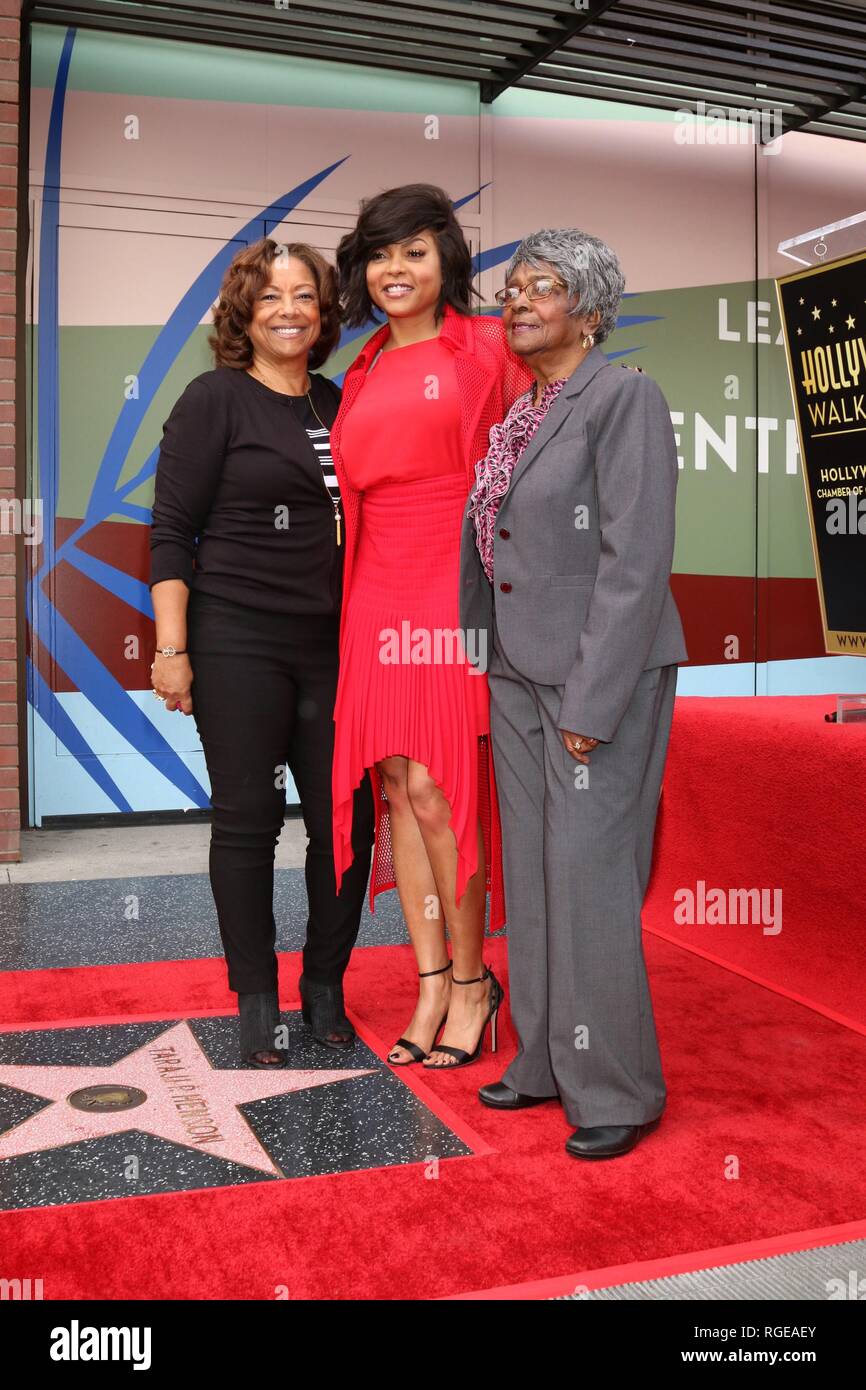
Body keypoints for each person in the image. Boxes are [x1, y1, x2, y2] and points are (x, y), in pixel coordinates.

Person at [460, 227, 688, 1156]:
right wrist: (482, 655)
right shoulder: (524, 409)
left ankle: (618, 1090)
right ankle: (547, 1061)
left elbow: (634, 561)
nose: (516, 301)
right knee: (537, 875)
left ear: (589, 312)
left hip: (601, 674)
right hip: (516, 670)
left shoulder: (623, 397)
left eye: (540, 287)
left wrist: (593, 703)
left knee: (590, 880)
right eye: (512, 287)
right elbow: (491, 541)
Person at [149, 238, 374, 1067]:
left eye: (306, 296)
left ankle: (324, 984)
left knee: (346, 824)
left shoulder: (337, 400)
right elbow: (171, 532)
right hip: (237, 636)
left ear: (326, 313)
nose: (290, 309)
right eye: (272, 295)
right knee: (247, 822)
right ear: (245, 310)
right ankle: (255, 998)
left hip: (335, 645)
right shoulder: (216, 400)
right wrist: (173, 649)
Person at [329, 184, 532, 1069]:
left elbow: (537, 464)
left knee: (443, 793)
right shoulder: (364, 366)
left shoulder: (490, 348)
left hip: (456, 586)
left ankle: (475, 982)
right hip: (375, 589)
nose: (395, 269)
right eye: (379, 254)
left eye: (414, 249)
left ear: (446, 257)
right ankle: (428, 981)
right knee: (398, 792)